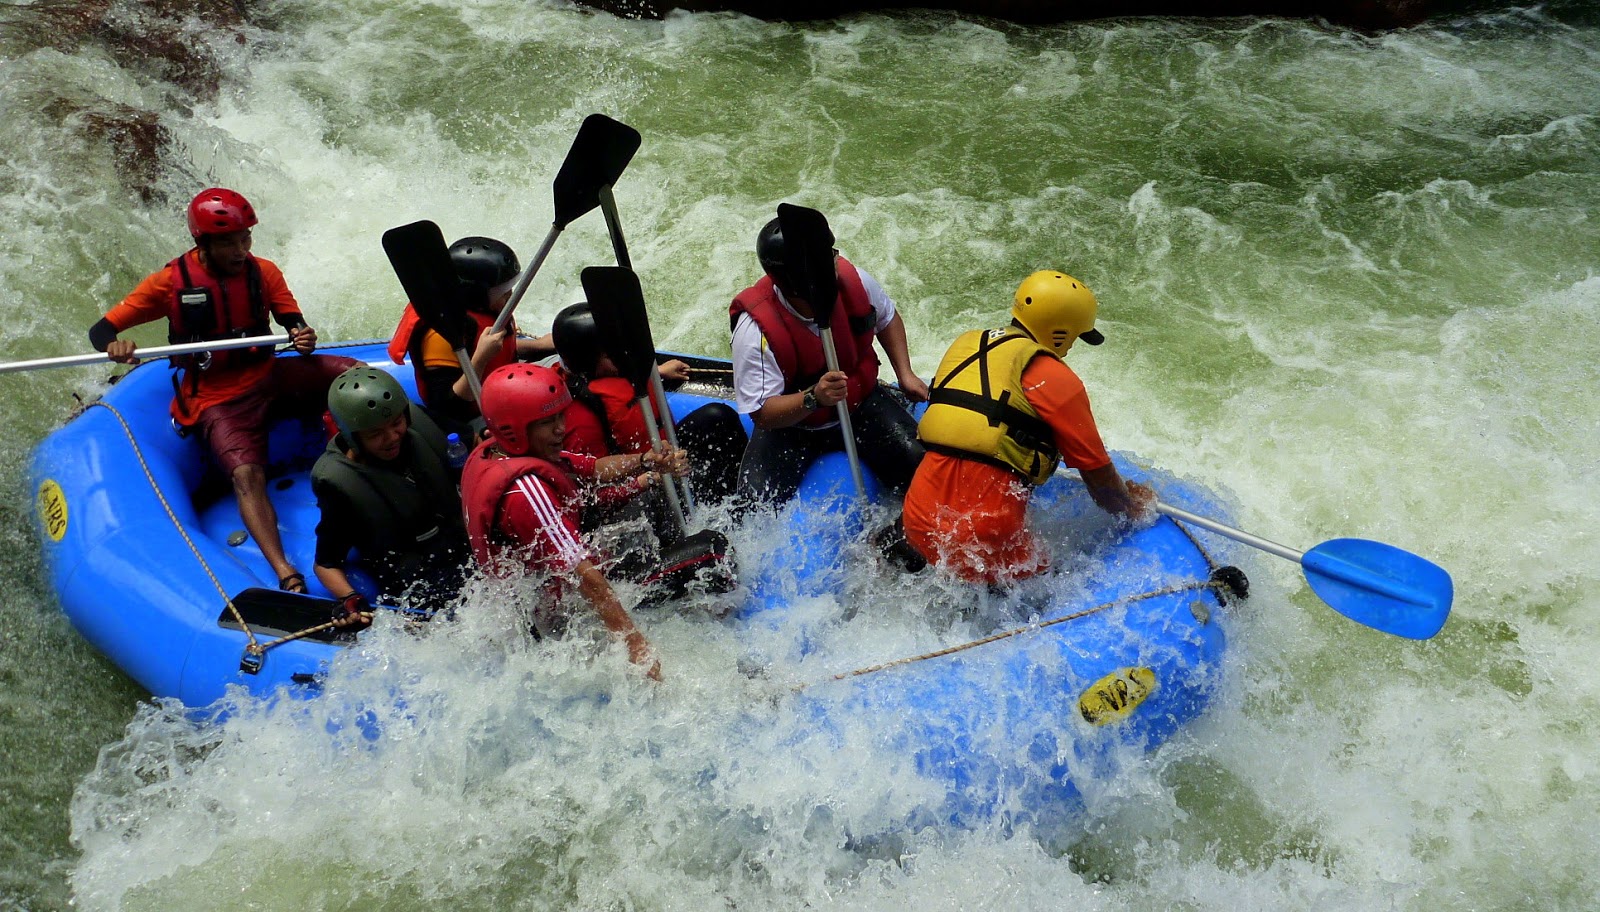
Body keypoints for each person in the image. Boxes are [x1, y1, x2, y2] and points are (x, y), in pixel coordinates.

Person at [88, 187, 361, 594]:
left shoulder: (263, 272)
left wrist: (302, 336)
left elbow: (293, 321)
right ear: (203, 242)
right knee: (247, 474)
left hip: (269, 375)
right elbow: (102, 330)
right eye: (229, 242)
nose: (240, 250)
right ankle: (285, 570)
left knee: (357, 376)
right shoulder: (169, 283)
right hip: (216, 397)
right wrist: (117, 346)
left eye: (245, 238)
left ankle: (363, 460)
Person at [461, 364, 731, 680]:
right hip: (565, 619)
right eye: (549, 422)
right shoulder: (525, 493)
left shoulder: (500, 453)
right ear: (515, 430)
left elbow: (594, 469)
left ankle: (676, 580)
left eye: (561, 416)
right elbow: (586, 576)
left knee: (649, 492)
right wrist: (638, 649)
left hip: (553, 591)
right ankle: (714, 620)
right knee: (713, 552)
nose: (561, 428)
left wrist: (646, 465)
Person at [898, 270, 1154, 586]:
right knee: (1049, 588)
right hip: (982, 537)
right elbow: (1102, 486)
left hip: (917, 517)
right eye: (1075, 334)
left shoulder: (968, 343)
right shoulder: (1055, 379)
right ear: (1060, 330)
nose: (1073, 344)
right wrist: (1136, 504)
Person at [729, 215, 929, 508]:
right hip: (793, 428)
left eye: (831, 253)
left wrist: (905, 372)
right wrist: (814, 398)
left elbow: (887, 318)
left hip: (860, 406)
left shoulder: (854, 281)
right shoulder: (755, 330)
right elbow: (762, 412)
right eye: (827, 258)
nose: (836, 262)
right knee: (754, 504)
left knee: (920, 468)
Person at [311, 367, 469, 628]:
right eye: (375, 434)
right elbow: (325, 564)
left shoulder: (416, 424)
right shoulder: (339, 484)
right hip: (417, 579)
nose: (392, 437)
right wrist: (349, 599)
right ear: (353, 437)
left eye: (396, 424)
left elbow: (473, 443)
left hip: (461, 545)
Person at [551, 301, 748, 508]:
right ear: (586, 364)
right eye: (612, 354)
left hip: (663, 453)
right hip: (640, 484)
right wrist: (652, 475)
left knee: (717, 416)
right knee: (702, 478)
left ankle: (746, 495)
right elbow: (591, 493)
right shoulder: (580, 417)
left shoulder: (611, 370)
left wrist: (659, 371)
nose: (623, 356)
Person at [387, 236, 554, 439]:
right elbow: (447, 406)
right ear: (474, 293)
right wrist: (480, 359)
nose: (510, 297)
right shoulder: (440, 332)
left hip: (503, 390)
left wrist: (538, 345)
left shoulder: (487, 310)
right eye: (503, 292)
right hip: (472, 420)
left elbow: (496, 352)